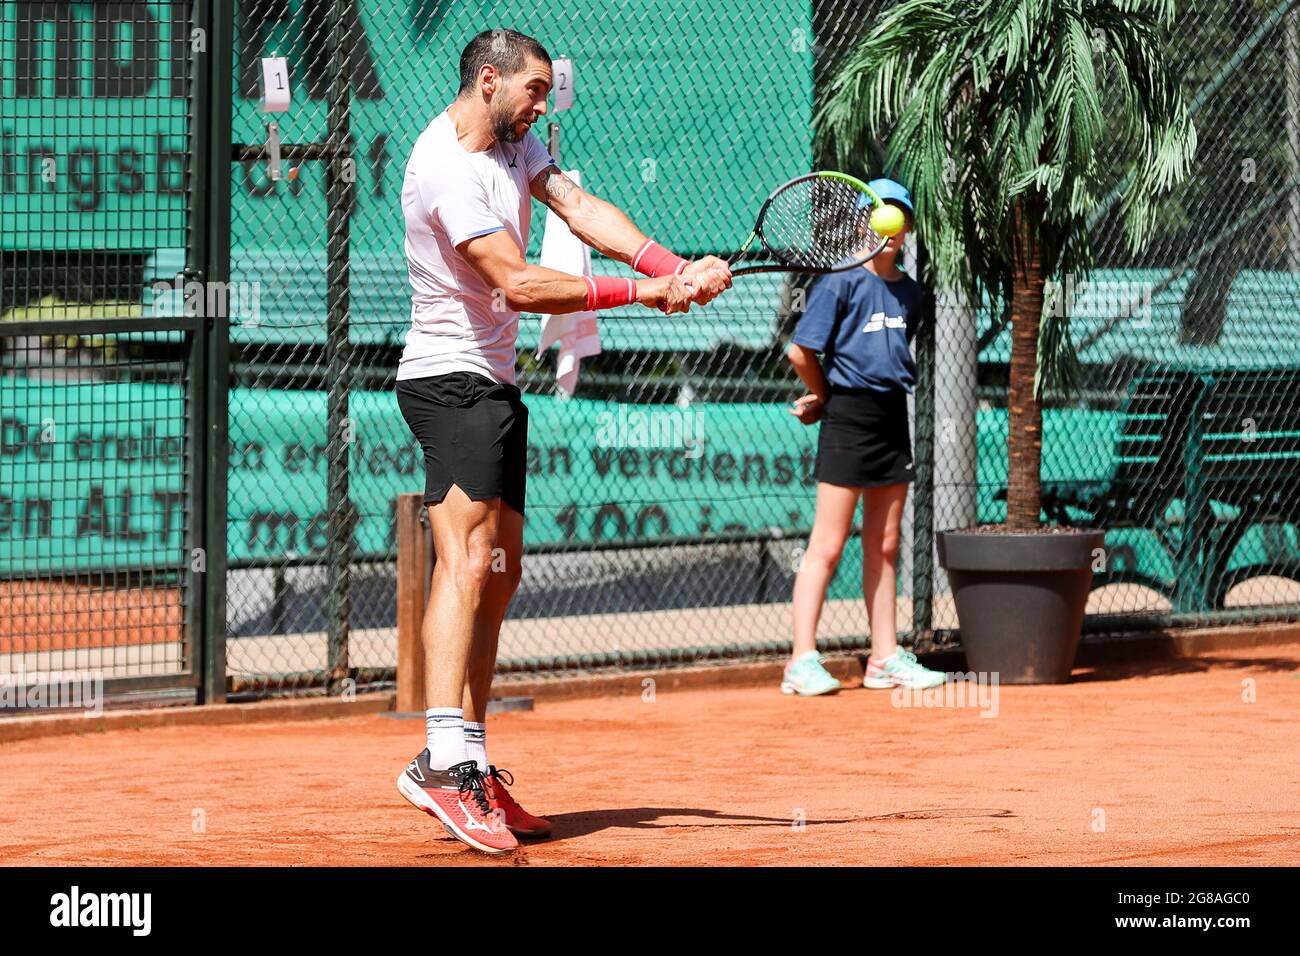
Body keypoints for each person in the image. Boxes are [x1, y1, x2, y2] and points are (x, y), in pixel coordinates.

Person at [393, 28, 732, 854]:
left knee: (499, 573)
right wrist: (646, 293)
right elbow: (519, 283)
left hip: (496, 384)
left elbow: (577, 209)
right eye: (534, 90)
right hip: (447, 381)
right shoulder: (448, 168)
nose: (544, 104)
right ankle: (439, 762)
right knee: (465, 563)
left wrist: (673, 263)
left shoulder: (515, 141)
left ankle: (468, 759)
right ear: (488, 80)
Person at [782, 178, 945, 697]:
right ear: (862, 220)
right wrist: (826, 396)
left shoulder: (909, 291)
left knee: (887, 543)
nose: (891, 224)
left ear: (908, 227)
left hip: (892, 416)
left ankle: (883, 659)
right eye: (881, 212)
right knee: (827, 545)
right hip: (848, 417)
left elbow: (892, 353)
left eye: (900, 215)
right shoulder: (840, 281)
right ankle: (801, 661)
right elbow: (800, 352)